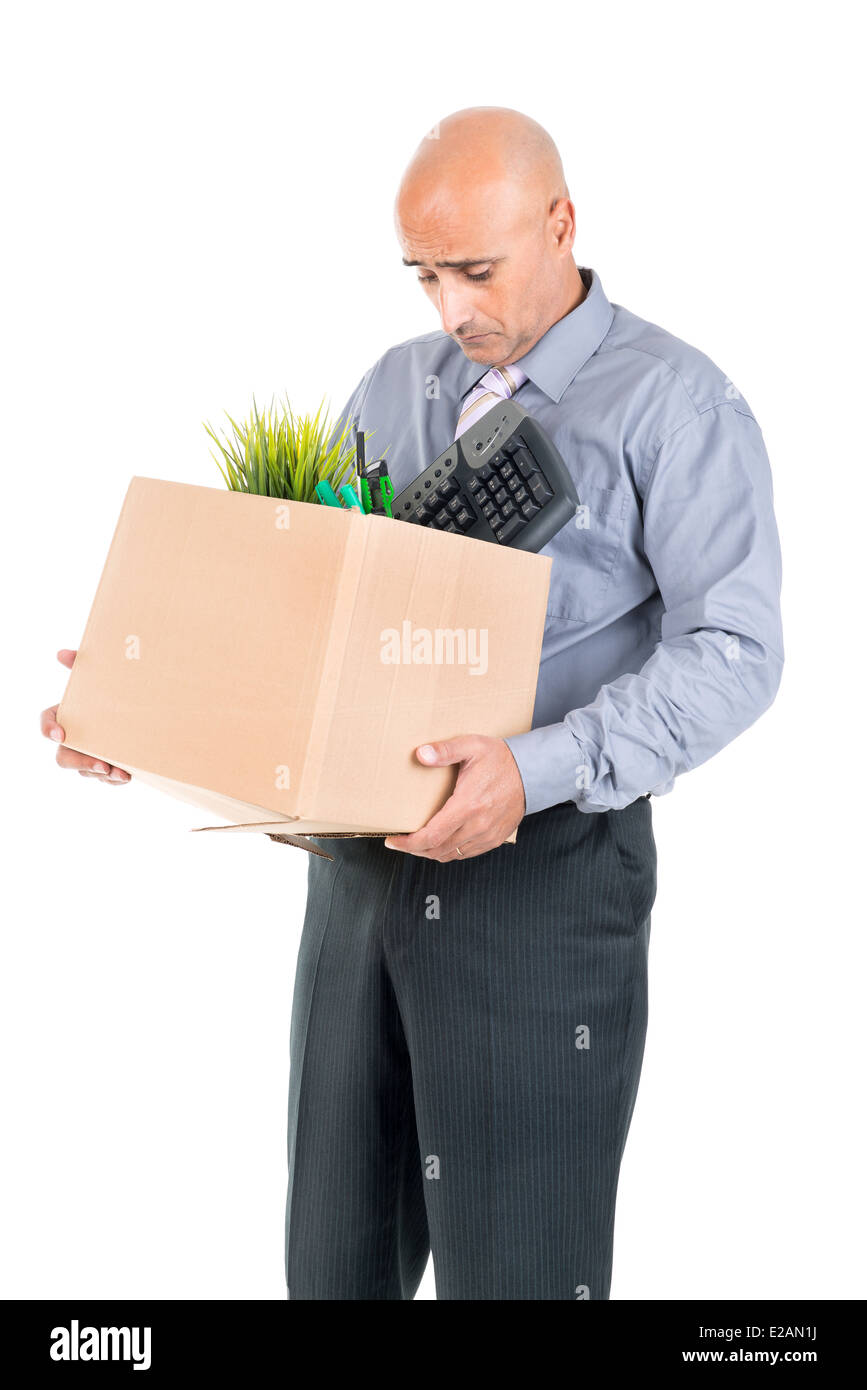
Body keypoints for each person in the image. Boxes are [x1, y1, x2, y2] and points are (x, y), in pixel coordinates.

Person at [42, 106, 784, 1300]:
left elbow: (739, 650)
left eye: (475, 271)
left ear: (561, 225)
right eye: (424, 274)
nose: (450, 310)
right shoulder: (392, 385)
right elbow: (315, 624)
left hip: (545, 881)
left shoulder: (677, 404)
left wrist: (534, 767)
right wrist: (153, 692)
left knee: (520, 1274)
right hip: (357, 882)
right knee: (330, 1273)